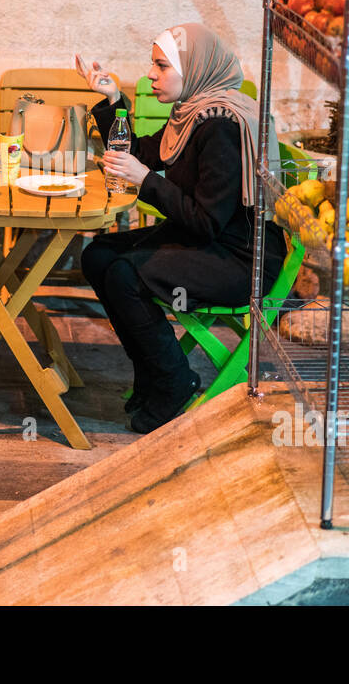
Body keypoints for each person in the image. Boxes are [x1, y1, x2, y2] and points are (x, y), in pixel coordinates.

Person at [78, 22, 287, 434]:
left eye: (161, 66)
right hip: (206, 240)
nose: (150, 75)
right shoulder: (193, 112)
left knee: (124, 275)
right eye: (153, 65)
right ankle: (151, 372)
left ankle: (173, 380)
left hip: (240, 258)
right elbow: (140, 151)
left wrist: (145, 180)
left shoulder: (221, 125)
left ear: (195, 68)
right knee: (98, 255)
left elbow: (206, 221)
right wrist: (112, 100)